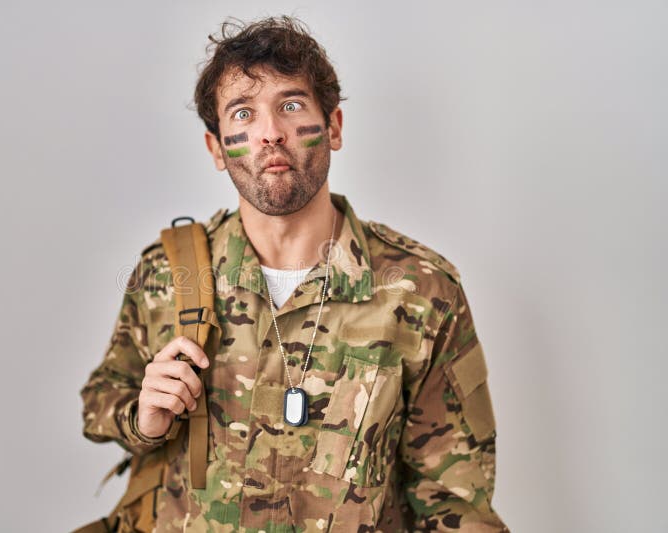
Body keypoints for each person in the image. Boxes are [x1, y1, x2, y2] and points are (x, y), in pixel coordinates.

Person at [81, 16, 508, 532]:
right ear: (217, 149)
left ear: (334, 128)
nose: (269, 133)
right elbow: (101, 400)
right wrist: (143, 418)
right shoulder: (167, 275)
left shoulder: (419, 292)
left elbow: (454, 505)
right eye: (243, 113)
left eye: (291, 105)